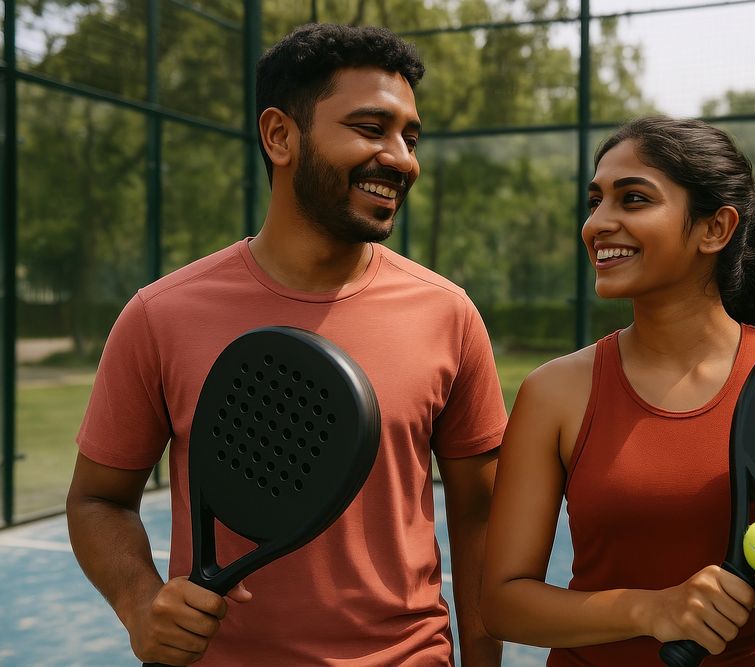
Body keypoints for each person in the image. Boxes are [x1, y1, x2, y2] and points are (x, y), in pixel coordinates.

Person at [66, 24, 507, 667]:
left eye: (410, 137)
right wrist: (140, 604)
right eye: (370, 127)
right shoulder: (160, 314)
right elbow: (97, 498)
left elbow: (479, 514)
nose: (402, 158)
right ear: (280, 136)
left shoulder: (449, 313)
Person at [480, 116, 755, 665]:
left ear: (715, 229)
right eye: (595, 199)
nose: (597, 223)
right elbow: (505, 602)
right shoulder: (553, 392)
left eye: (633, 199)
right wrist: (649, 610)